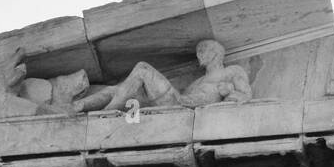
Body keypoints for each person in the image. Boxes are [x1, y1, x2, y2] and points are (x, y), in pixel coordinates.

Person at [79, 39, 251, 113]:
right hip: (178, 100)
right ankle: (77, 106)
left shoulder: (233, 71)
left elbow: (245, 96)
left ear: (215, 53)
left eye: (202, 50)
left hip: (179, 104)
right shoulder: (199, 81)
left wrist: (228, 93)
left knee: (142, 68)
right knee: (117, 89)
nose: (199, 54)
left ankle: (108, 112)